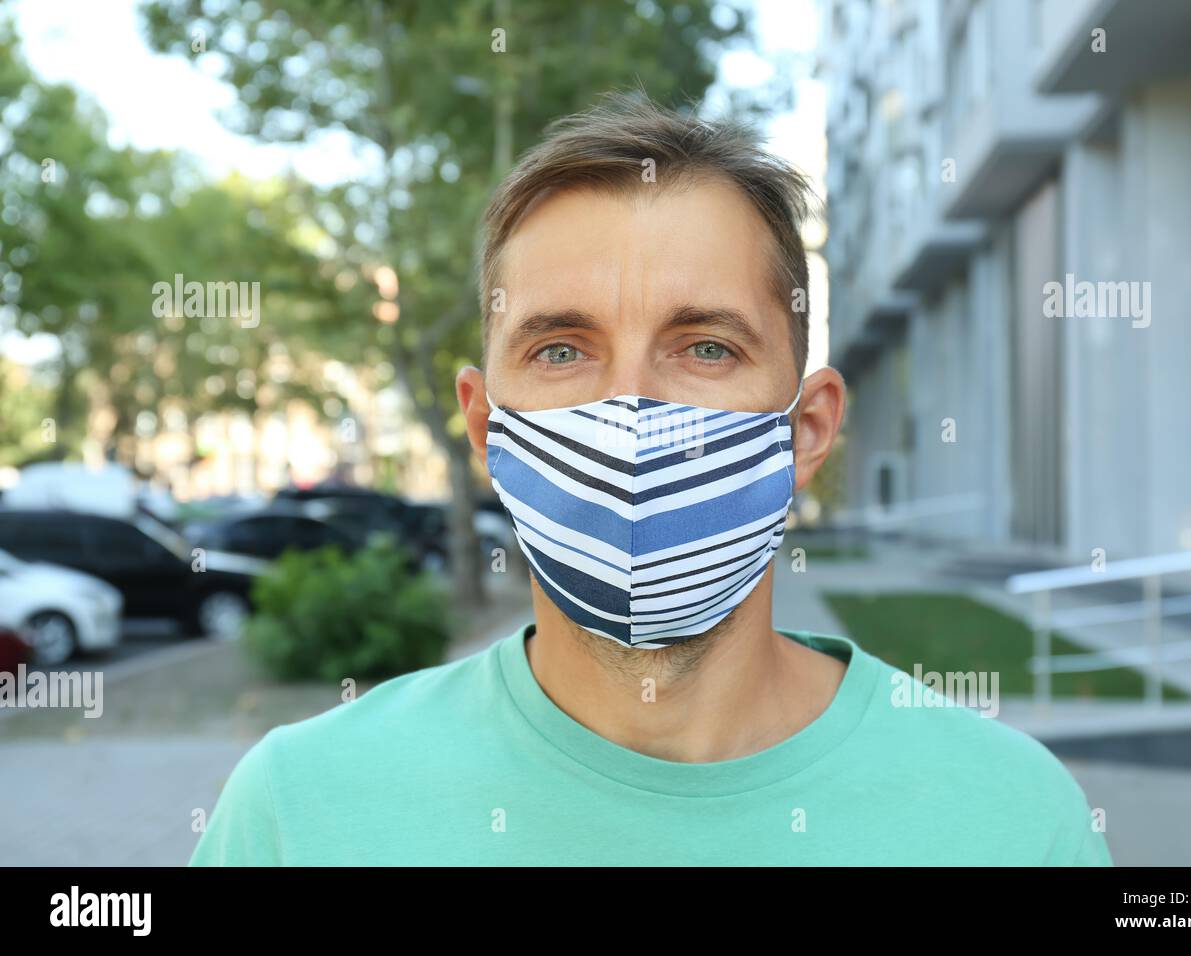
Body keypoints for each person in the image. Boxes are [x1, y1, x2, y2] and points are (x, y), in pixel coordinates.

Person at [190, 91, 1112, 866]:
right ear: (485, 428)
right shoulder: (298, 816)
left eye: (705, 347)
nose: (629, 408)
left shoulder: (1015, 824)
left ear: (806, 429)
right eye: (561, 349)